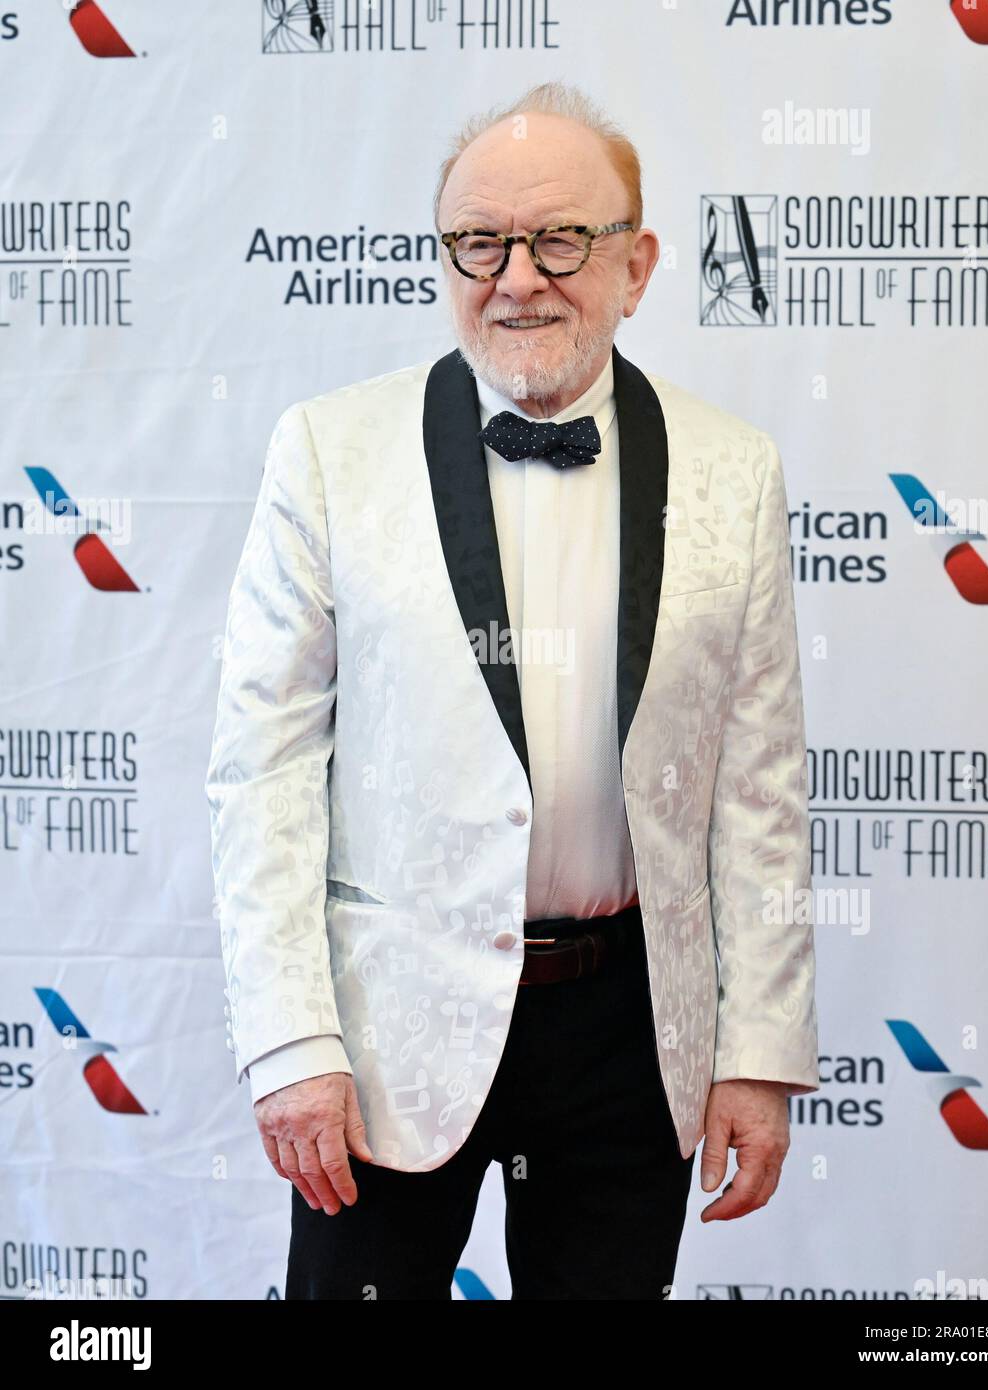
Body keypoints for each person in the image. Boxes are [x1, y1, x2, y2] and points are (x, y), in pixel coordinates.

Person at [205, 81, 820, 1301]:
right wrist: (289, 1040)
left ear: (635, 265)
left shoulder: (734, 471)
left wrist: (755, 1050)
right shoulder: (327, 453)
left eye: (558, 239)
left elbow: (758, 791)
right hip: (384, 1025)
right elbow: (263, 771)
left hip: (627, 1030)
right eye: (479, 242)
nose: (516, 277)